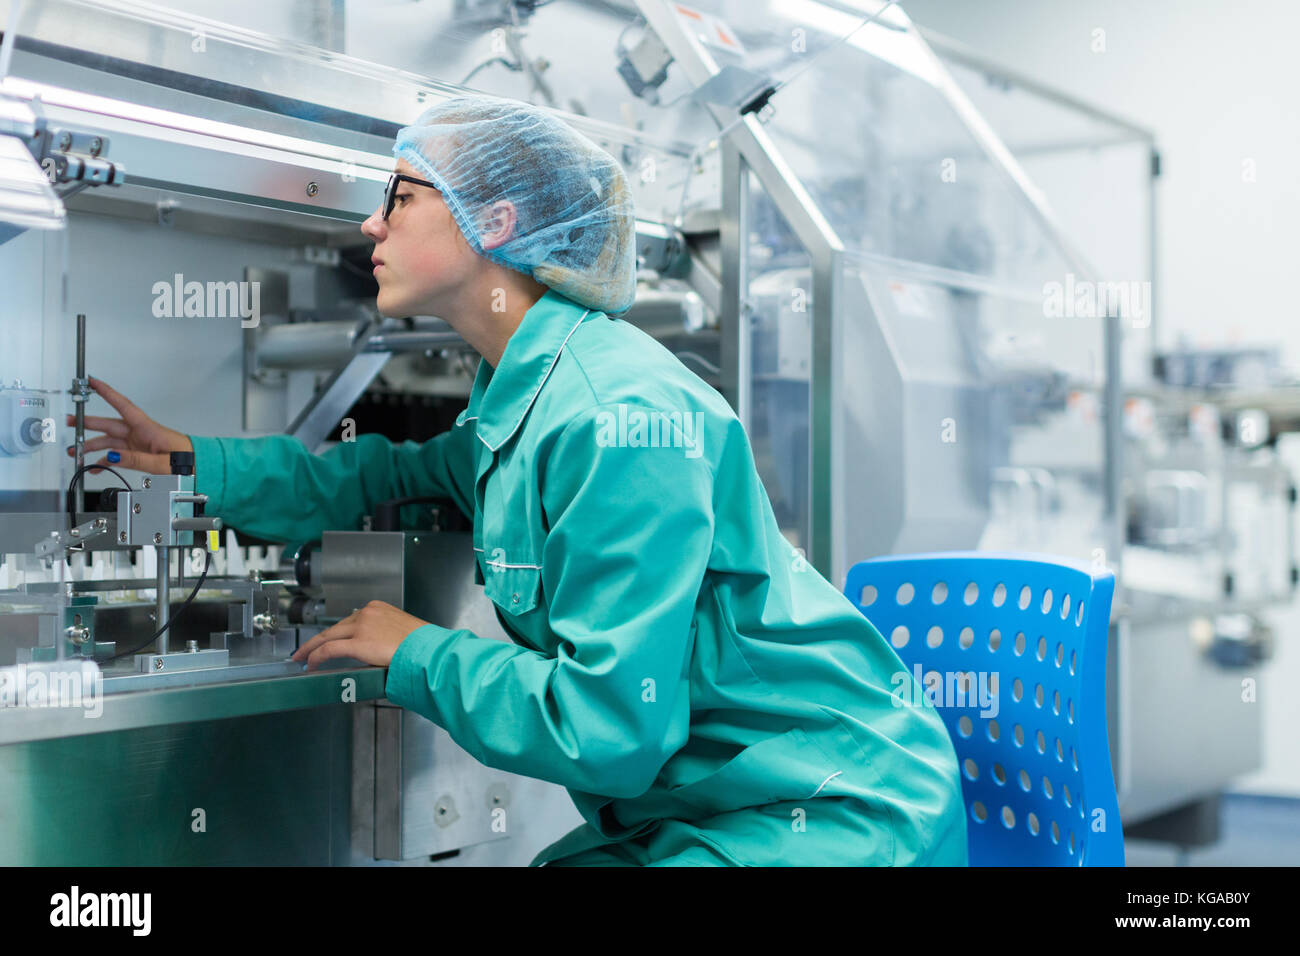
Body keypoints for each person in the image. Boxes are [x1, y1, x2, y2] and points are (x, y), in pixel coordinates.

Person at [68, 94, 968, 867]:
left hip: (834, 817)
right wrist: (195, 462)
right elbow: (384, 475)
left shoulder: (613, 416)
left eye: (400, 196)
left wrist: (416, 649)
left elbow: (610, 730)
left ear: (494, 221)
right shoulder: (526, 399)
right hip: (709, 811)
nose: (370, 225)